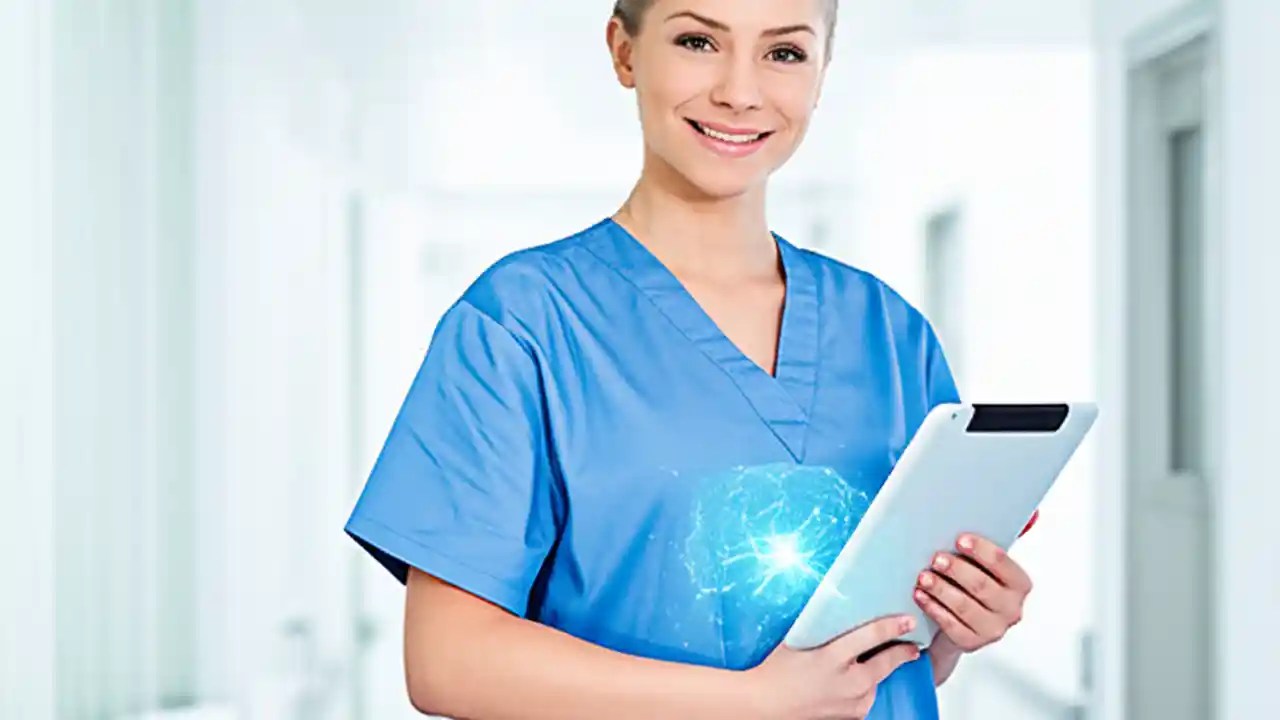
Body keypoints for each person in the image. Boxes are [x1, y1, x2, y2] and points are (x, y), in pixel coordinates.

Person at [344, 1, 1035, 717]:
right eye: (699, 40)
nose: (740, 90)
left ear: (822, 72)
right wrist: (751, 701)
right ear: (624, 51)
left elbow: (891, 664)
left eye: (784, 53)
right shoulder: (519, 323)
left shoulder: (891, 334)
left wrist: (958, 620)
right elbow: (449, 662)